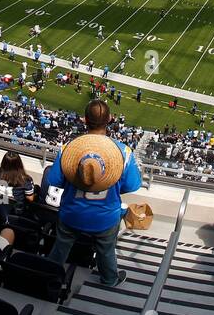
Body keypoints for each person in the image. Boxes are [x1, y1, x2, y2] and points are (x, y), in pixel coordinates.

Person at [44, 101, 142, 288]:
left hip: (72, 213)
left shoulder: (69, 148)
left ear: (85, 120)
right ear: (110, 119)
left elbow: (54, 181)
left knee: (61, 247)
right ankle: (109, 279)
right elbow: (132, 185)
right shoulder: (124, 152)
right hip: (105, 217)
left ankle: (48, 274)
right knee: (106, 250)